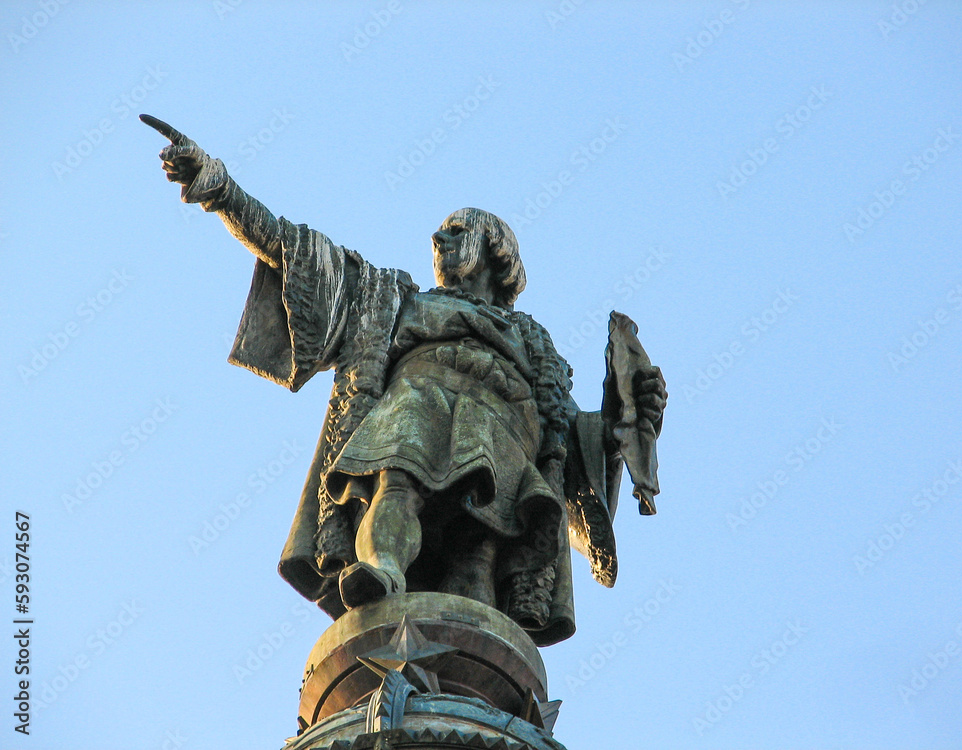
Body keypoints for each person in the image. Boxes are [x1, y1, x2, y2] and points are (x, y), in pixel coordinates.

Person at [142, 114, 667, 646]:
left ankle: (477, 647)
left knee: (482, 542)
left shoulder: (535, 344)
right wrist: (220, 190)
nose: (438, 239)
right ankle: (384, 570)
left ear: (494, 251)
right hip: (416, 402)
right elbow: (297, 252)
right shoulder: (395, 300)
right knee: (395, 482)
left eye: (456, 231)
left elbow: (571, 445)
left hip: (506, 428)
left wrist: (625, 410)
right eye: (440, 232)